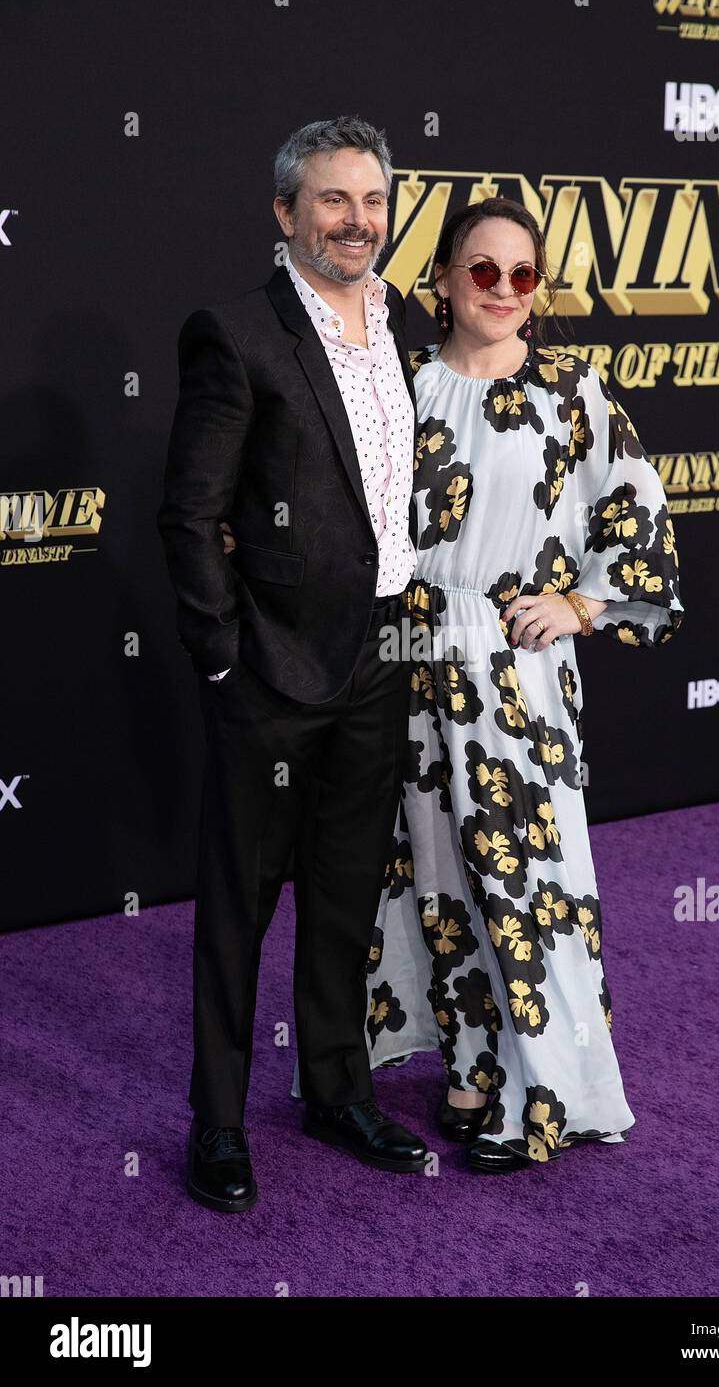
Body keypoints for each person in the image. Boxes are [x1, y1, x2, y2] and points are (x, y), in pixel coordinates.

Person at [355, 197, 685, 1172]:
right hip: (413, 663)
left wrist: (580, 608)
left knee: (528, 882)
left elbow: (640, 525)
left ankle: (538, 1088)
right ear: (444, 281)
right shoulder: (401, 388)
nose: (501, 289)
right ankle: (467, 1070)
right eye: (481, 270)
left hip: (515, 681)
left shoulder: (570, 392)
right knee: (436, 877)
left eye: (521, 274)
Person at [157, 115, 429, 1213]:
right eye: (332, 200)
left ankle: (334, 1087)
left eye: (370, 201)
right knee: (237, 904)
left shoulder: (404, 319)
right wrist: (225, 659)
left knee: (347, 889)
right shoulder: (236, 333)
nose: (355, 221)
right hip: (269, 670)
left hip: (379, 656)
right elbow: (188, 513)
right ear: (284, 213)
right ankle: (217, 1123)